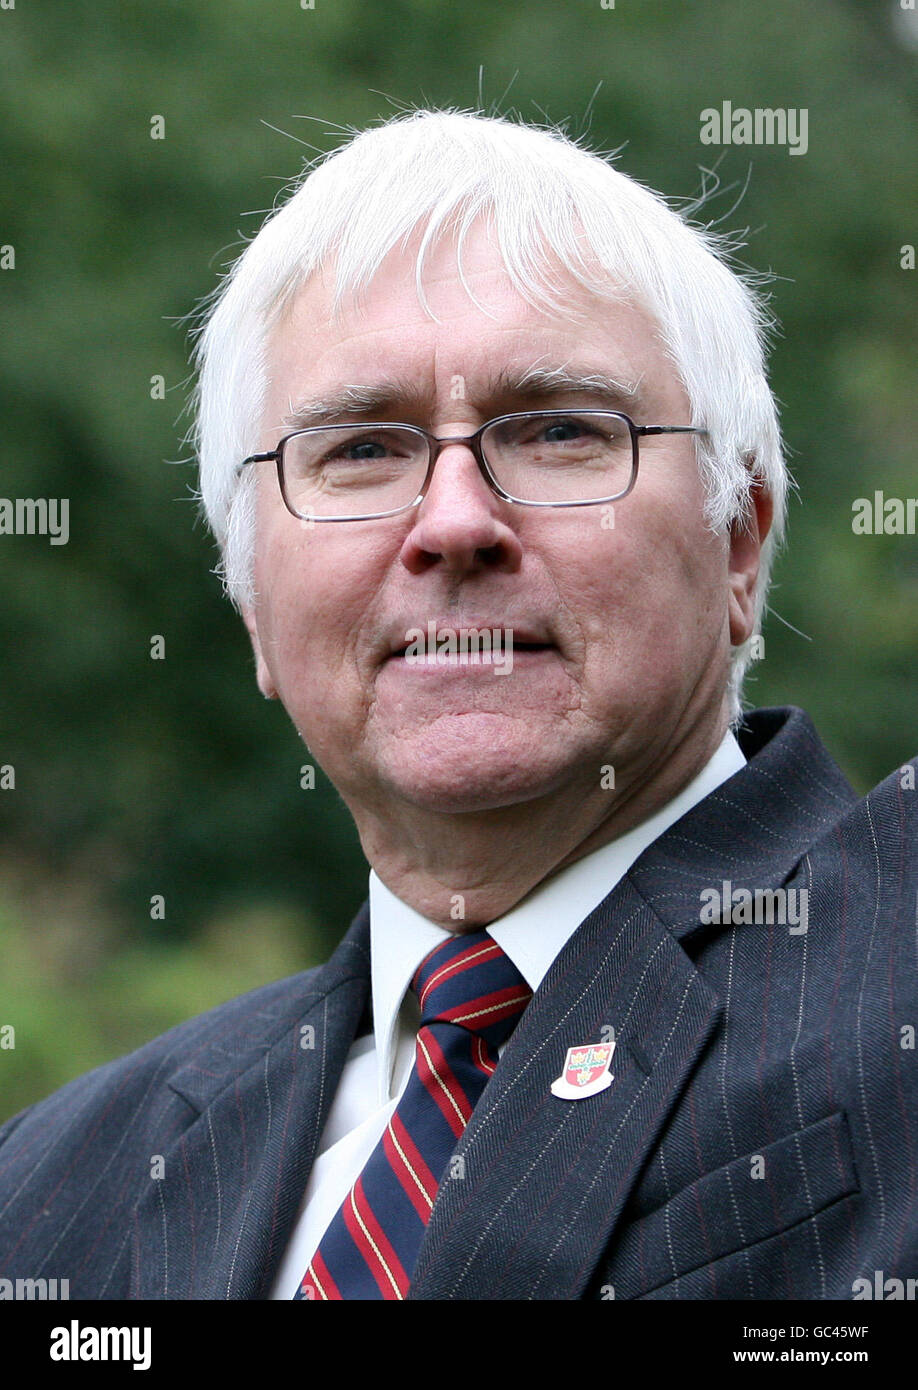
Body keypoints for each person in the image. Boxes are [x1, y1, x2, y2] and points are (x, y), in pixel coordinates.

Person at [0, 109, 914, 1302]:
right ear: (254, 605)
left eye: (560, 432)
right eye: (362, 450)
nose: (452, 523)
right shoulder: (51, 1191)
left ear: (739, 542)